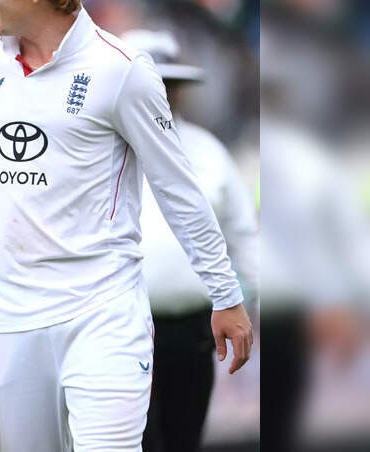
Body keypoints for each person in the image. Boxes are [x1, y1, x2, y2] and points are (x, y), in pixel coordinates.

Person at [0, 0, 254, 451]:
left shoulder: (120, 70)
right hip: (8, 316)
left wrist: (225, 295)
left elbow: (178, 190)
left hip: (102, 313)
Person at [120, 29, 259, 452]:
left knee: (184, 437)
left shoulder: (208, 151)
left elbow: (242, 234)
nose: (160, 94)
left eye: (168, 84)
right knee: (130, 439)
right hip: (117, 324)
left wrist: (248, 304)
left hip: (193, 329)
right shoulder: (96, 148)